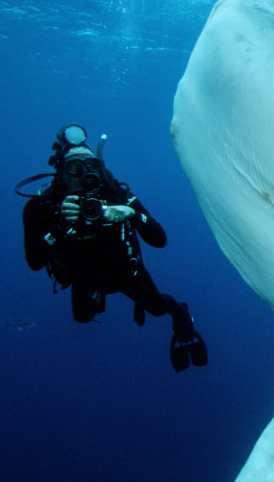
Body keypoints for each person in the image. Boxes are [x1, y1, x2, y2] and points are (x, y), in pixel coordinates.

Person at [18, 123, 207, 372]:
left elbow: (159, 239)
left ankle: (180, 316)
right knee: (82, 317)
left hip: (125, 271)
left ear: (100, 168)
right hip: (82, 276)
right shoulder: (42, 208)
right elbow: (34, 261)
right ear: (60, 173)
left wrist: (131, 213)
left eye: (91, 166)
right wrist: (60, 228)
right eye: (73, 168)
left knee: (158, 307)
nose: (83, 174)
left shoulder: (118, 195)